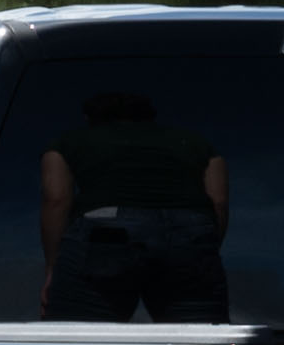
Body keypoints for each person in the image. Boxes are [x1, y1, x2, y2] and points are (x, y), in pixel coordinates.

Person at [39, 91, 228, 323]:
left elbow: (56, 200)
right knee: (197, 341)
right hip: (190, 235)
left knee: (79, 343)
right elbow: (218, 202)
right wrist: (203, 251)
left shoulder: (67, 142)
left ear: (91, 118)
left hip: (104, 233)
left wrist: (52, 269)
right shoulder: (200, 144)